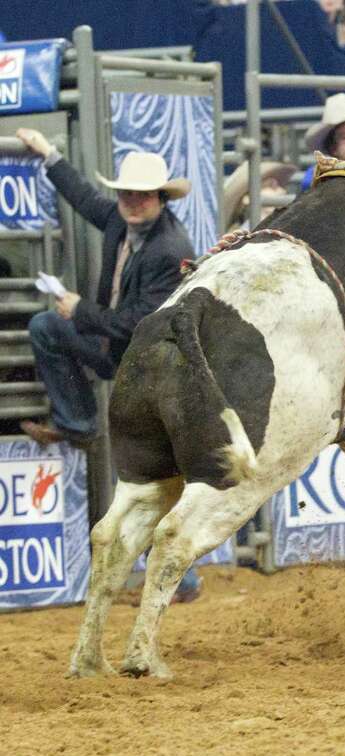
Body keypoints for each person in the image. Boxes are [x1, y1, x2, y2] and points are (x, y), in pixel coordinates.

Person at [12, 128, 203, 604]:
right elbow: (87, 201)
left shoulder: (168, 248)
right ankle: (77, 422)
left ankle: (182, 578)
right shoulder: (126, 222)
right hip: (126, 360)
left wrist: (79, 310)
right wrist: (50, 154)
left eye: (141, 195)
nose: (131, 202)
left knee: (151, 471)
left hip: (153, 374)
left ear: (159, 198)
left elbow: (138, 324)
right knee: (45, 328)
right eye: (127, 194)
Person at [221, 160, 298, 233]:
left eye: (281, 186)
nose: (283, 191)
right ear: (247, 198)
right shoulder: (239, 239)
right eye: (271, 185)